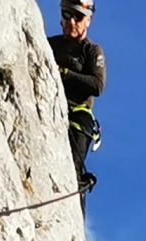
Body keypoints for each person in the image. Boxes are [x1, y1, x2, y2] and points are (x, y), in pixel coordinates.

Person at [48, 0, 104, 194]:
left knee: (75, 160)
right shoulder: (49, 44)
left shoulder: (91, 51)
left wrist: (64, 74)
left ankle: (74, 184)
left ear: (88, 21)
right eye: (66, 15)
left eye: (78, 17)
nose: (72, 21)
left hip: (78, 113)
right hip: (50, 105)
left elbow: (97, 85)